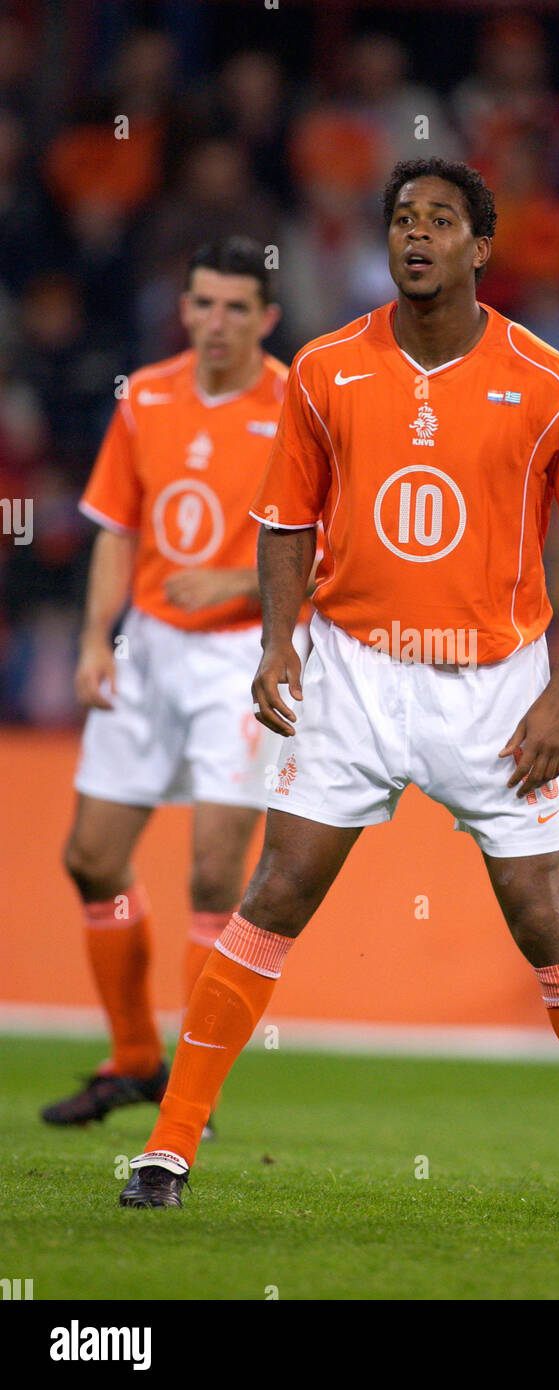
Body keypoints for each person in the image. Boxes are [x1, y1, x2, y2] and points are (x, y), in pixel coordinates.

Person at [119, 159, 559, 1228]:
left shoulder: (550, 377)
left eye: (440, 220)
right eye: (401, 220)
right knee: (276, 890)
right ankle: (166, 1149)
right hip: (353, 671)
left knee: (541, 914)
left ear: (481, 246)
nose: (416, 235)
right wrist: (279, 644)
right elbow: (286, 520)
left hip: (494, 685)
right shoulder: (326, 369)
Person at [42, 237, 309, 1132]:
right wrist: (95, 639)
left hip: (242, 656)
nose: (218, 323)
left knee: (210, 875)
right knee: (92, 858)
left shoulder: (295, 403)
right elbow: (117, 526)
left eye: (238, 307)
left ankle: (191, 1098)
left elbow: (332, 543)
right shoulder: (146, 395)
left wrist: (239, 583)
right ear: (184, 307)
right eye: (204, 303)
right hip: (148, 646)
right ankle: (133, 1058)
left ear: (266, 318)